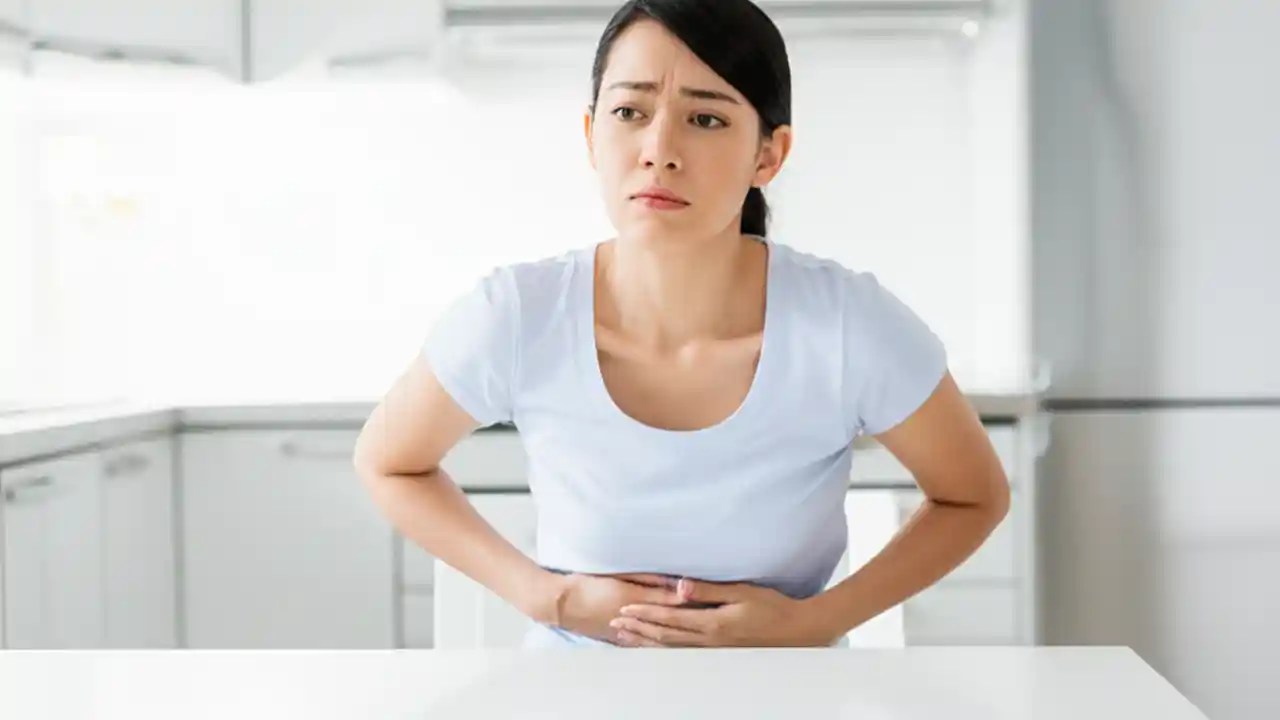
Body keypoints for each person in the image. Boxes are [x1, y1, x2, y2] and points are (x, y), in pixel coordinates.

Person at [353, 0, 1010, 649]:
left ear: (768, 156)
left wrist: (816, 622)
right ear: (590, 135)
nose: (659, 150)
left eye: (704, 118)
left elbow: (973, 496)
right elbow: (389, 464)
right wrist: (547, 597)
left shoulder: (845, 324)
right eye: (629, 112)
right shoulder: (519, 315)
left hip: (785, 700)